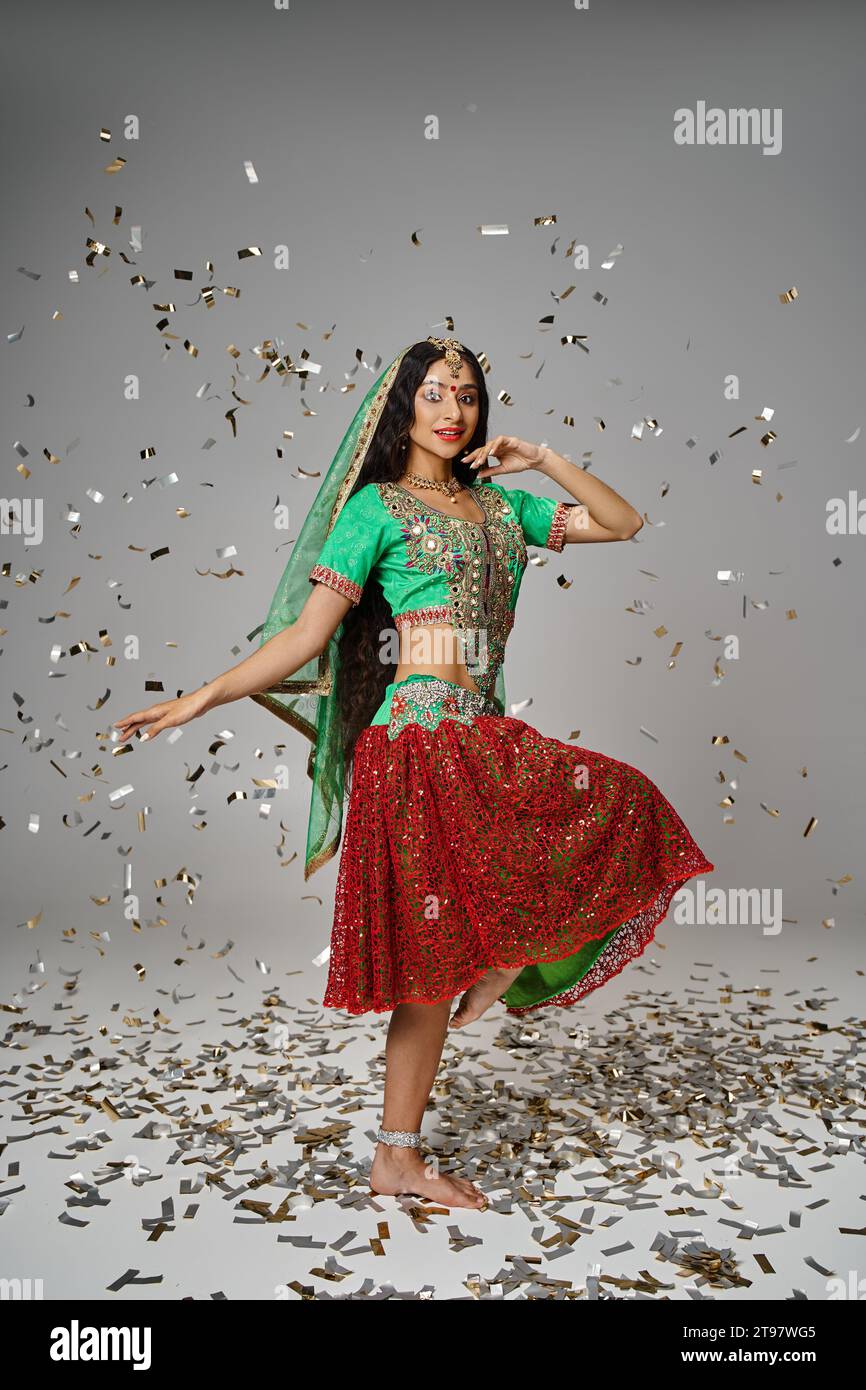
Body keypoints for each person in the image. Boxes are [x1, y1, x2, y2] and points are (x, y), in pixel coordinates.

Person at [114, 335, 714, 1211]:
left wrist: (544, 459)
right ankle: (397, 1158)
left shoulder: (504, 508)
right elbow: (305, 638)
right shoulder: (377, 510)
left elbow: (623, 523)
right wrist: (197, 699)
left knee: (624, 804)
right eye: (434, 392)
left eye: (467, 395)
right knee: (428, 972)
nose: (452, 409)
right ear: (403, 404)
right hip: (415, 745)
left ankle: (504, 956)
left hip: (479, 731)